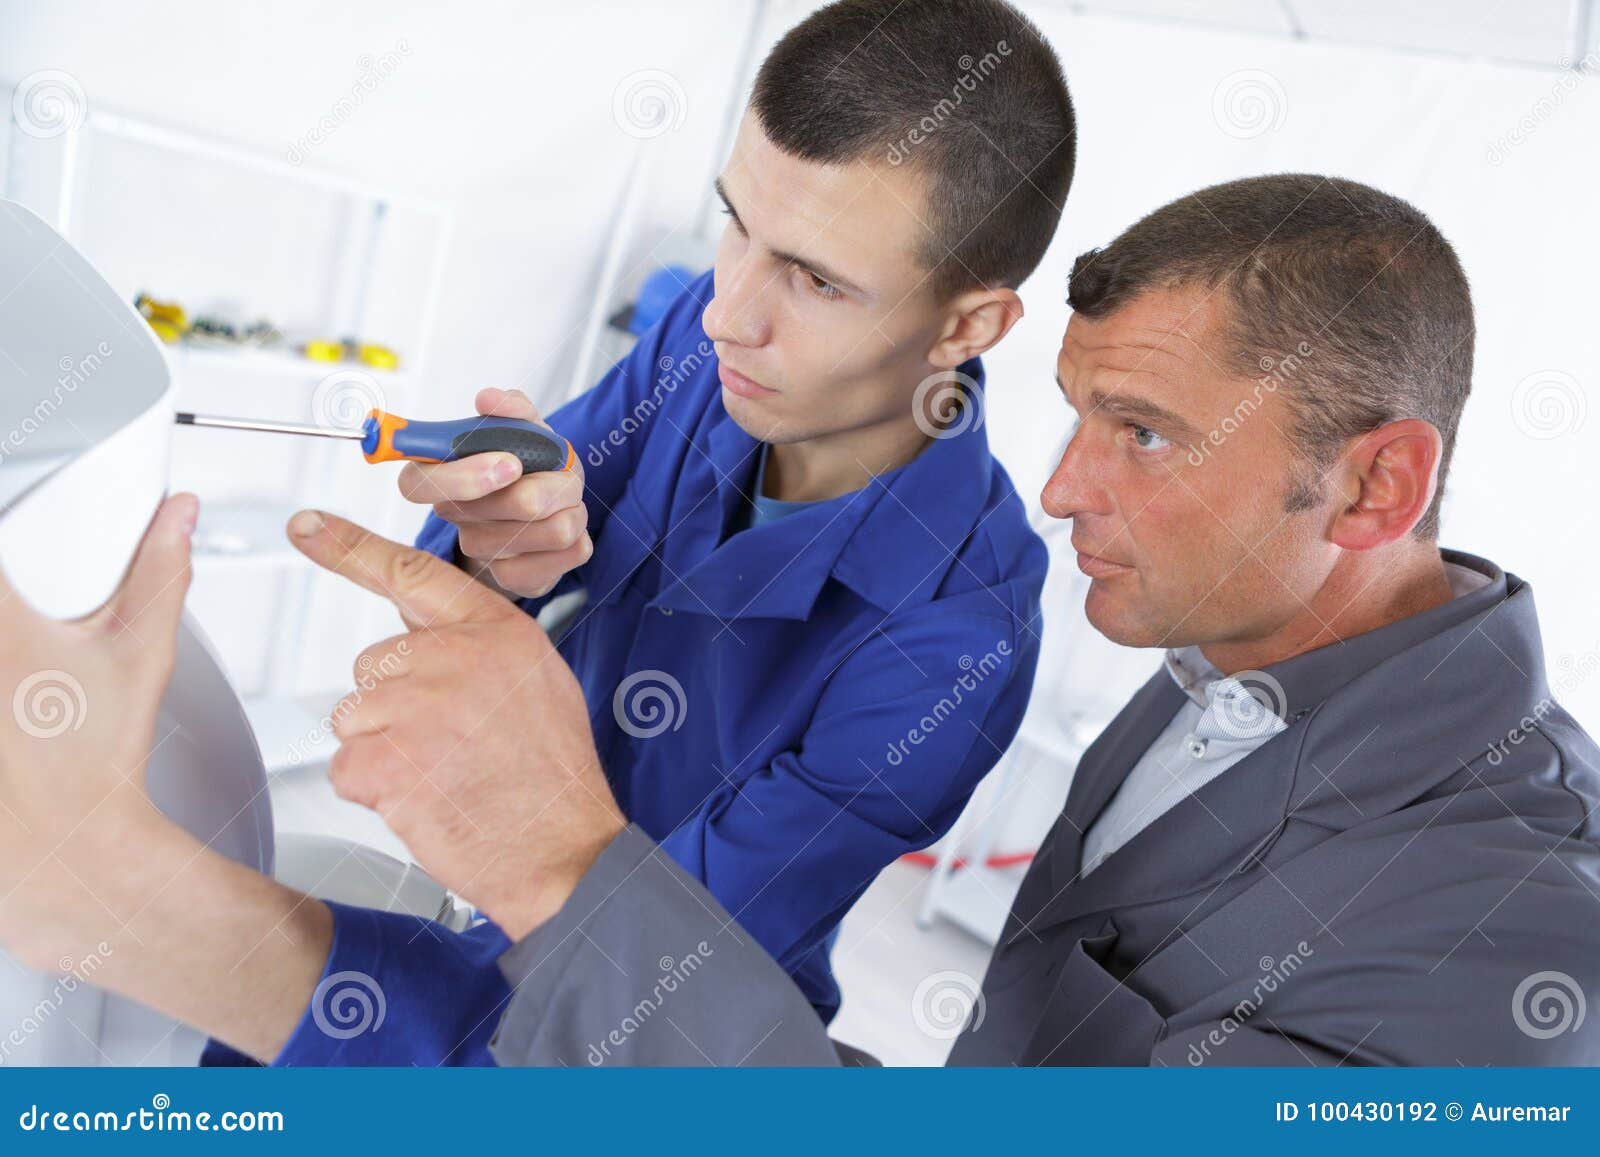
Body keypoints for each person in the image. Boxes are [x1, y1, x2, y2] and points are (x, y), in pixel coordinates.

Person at [6, 174, 1596, 1063]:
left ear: (1376, 484)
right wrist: (507, 551)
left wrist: (151, 902)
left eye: (1146, 435)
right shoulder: (1224, 674)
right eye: (739, 232)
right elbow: (541, 511)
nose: (1064, 489)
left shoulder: (1514, 940)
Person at [356, 0, 1074, 1035]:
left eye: (816, 279)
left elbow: (658, 947)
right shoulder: (706, 355)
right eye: (738, 223)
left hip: (669, 1028)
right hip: (499, 910)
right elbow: (516, 530)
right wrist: (491, 551)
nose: (724, 311)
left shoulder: (962, 635)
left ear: (967, 325)